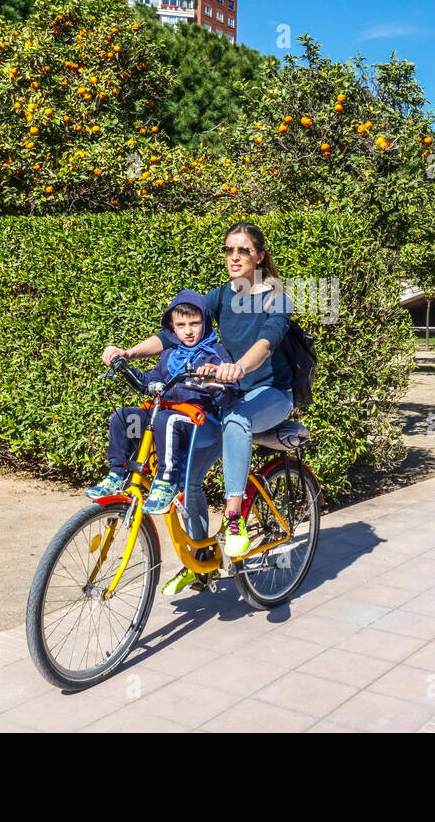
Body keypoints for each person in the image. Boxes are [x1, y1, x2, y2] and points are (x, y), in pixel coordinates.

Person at [102, 221, 295, 595]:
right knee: (187, 485)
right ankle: (202, 565)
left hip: (268, 392)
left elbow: (267, 344)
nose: (234, 257)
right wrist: (129, 352)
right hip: (227, 392)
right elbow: (177, 326)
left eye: (242, 250)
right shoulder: (222, 294)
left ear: (259, 256)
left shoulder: (277, 298)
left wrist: (239, 367)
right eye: (228, 250)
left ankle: (235, 520)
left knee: (237, 419)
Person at [87, 291, 238, 513]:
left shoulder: (216, 354)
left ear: (205, 322)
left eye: (195, 323)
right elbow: (151, 381)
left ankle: (167, 483)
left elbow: (230, 395)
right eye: (181, 325)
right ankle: (118, 474)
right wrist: (123, 366)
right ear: (172, 327)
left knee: (166, 419)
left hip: (202, 424)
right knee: (123, 417)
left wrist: (214, 380)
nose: (188, 331)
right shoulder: (170, 354)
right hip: (167, 419)